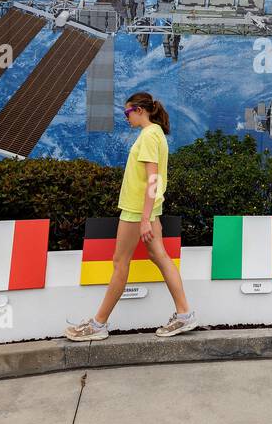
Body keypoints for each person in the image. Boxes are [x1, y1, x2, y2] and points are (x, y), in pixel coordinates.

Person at [65, 91, 197, 341]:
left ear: (140, 110)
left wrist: (144, 218)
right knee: (159, 256)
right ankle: (184, 315)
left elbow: (153, 179)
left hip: (137, 211)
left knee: (120, 262)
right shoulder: (156, 134)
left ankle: (98, 324)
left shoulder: (148, 136)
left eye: (127, 113)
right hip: (147, 210)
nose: (126, 117)